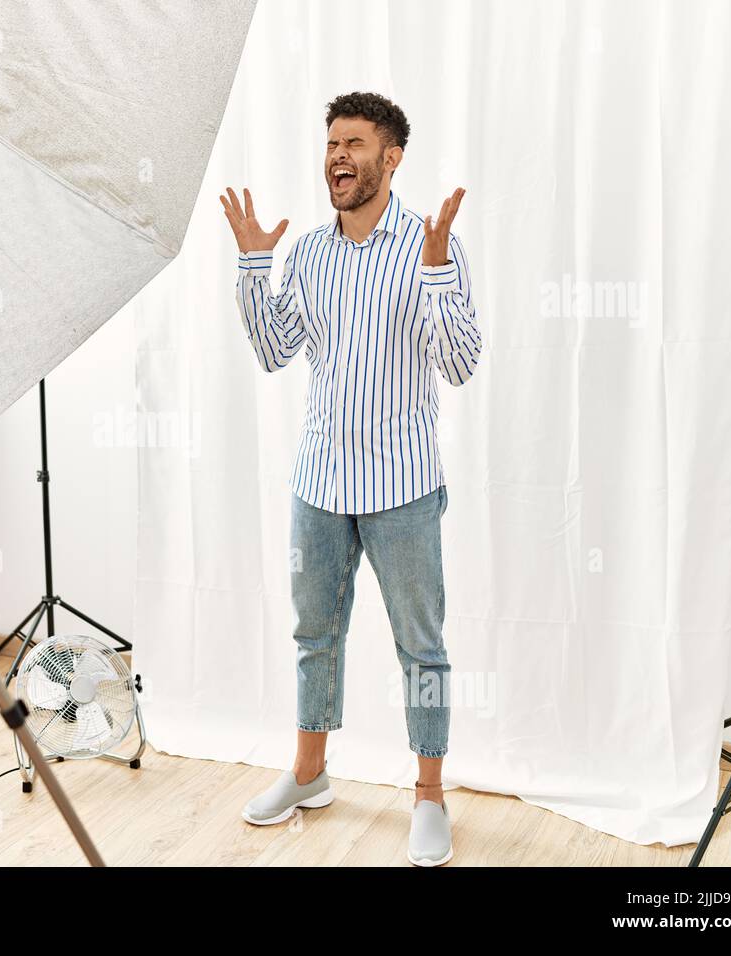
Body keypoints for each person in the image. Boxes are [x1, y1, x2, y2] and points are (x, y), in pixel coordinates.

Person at [219, 91, 481, 866]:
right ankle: (309, 774)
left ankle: (428, 796)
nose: (338, 155)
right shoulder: (308, 253)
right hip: (320, 485)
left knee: (422, 649)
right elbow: (274, 351)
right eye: (331, 142)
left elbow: (461, 364)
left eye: (355, 143)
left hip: (403, 487)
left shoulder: (432, 244)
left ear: (390, 158)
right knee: (313, 635)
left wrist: (435, 273)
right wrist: (253, 262)